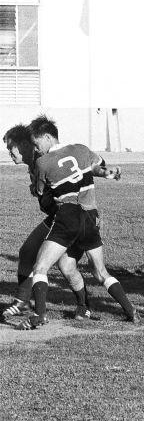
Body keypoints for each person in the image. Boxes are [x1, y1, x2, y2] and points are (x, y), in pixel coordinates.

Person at [24, 115, 135, 329]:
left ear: (48, 137)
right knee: (84, 269)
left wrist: (39, 189)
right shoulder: (82, 149)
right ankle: (127, 310)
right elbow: (99, 167)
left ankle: (39, 315)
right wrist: (107, 172)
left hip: (68, 216)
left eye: (37, 144)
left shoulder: (43, 162)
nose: (36, 149)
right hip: (91, 217)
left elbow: (40, 195)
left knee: (40, 267)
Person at [1, 125, 94, 323]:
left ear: (26, 145)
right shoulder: (32, 164)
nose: (10, 152)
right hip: (56, 217)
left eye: (12, 147)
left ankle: (84, 306)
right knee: (27, 252)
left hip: (72, 218)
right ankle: (23, 301)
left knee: (66, 266)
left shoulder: (42, 161)